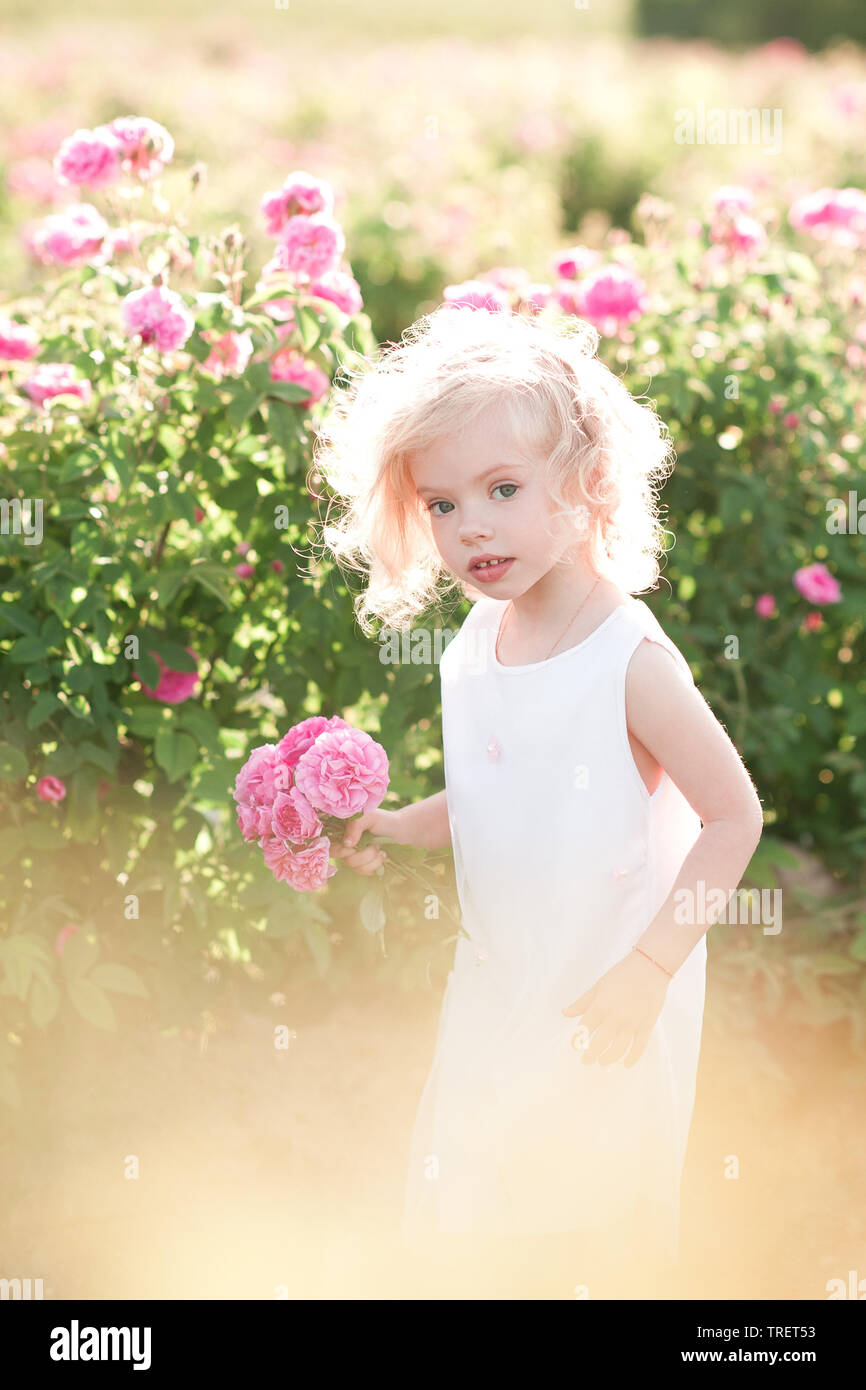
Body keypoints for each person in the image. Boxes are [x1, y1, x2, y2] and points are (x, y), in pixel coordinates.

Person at [314, 303, 764, 1299]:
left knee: (588, 1222)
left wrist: (647, 969)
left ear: (585, 488)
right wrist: (395, 824)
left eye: (503, 489)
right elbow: (489, 791)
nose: (470, 525)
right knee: (479, 1209)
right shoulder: (480, 640)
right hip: (501, 980)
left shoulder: (626, 660)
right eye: (440, 504)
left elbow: (733, 817)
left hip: (604, 993)